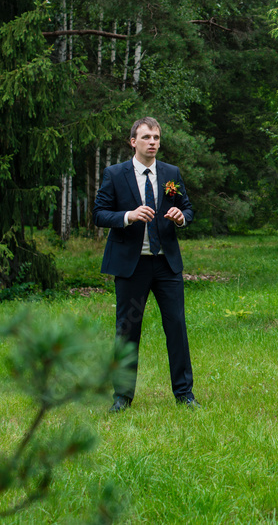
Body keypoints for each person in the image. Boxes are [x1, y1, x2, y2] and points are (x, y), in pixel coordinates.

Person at [94, 117, 198, 412]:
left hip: (166, 265)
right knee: (127, 331)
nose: (153, 142)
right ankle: (122, 398)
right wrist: (128, 216)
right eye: (147, 137)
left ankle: (185, 395)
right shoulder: (115, 174)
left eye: (156, 137)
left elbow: (187, 208)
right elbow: (100, 214)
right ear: (133, 142)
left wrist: (181, 216)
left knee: (176, 328)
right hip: (132, 266)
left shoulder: (170, 173)